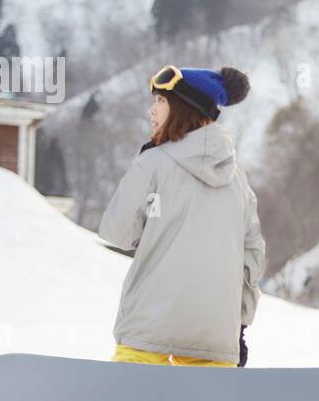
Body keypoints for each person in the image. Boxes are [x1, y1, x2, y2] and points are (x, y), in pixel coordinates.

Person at [98, 65, 265, 367]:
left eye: (161, 101)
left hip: (147, 329)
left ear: (182, 108)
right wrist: (240, 324)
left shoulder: (153, 162)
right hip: (216, 334)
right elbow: (252, 259)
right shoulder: (239, 181)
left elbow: (117, 232)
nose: (152, 111)